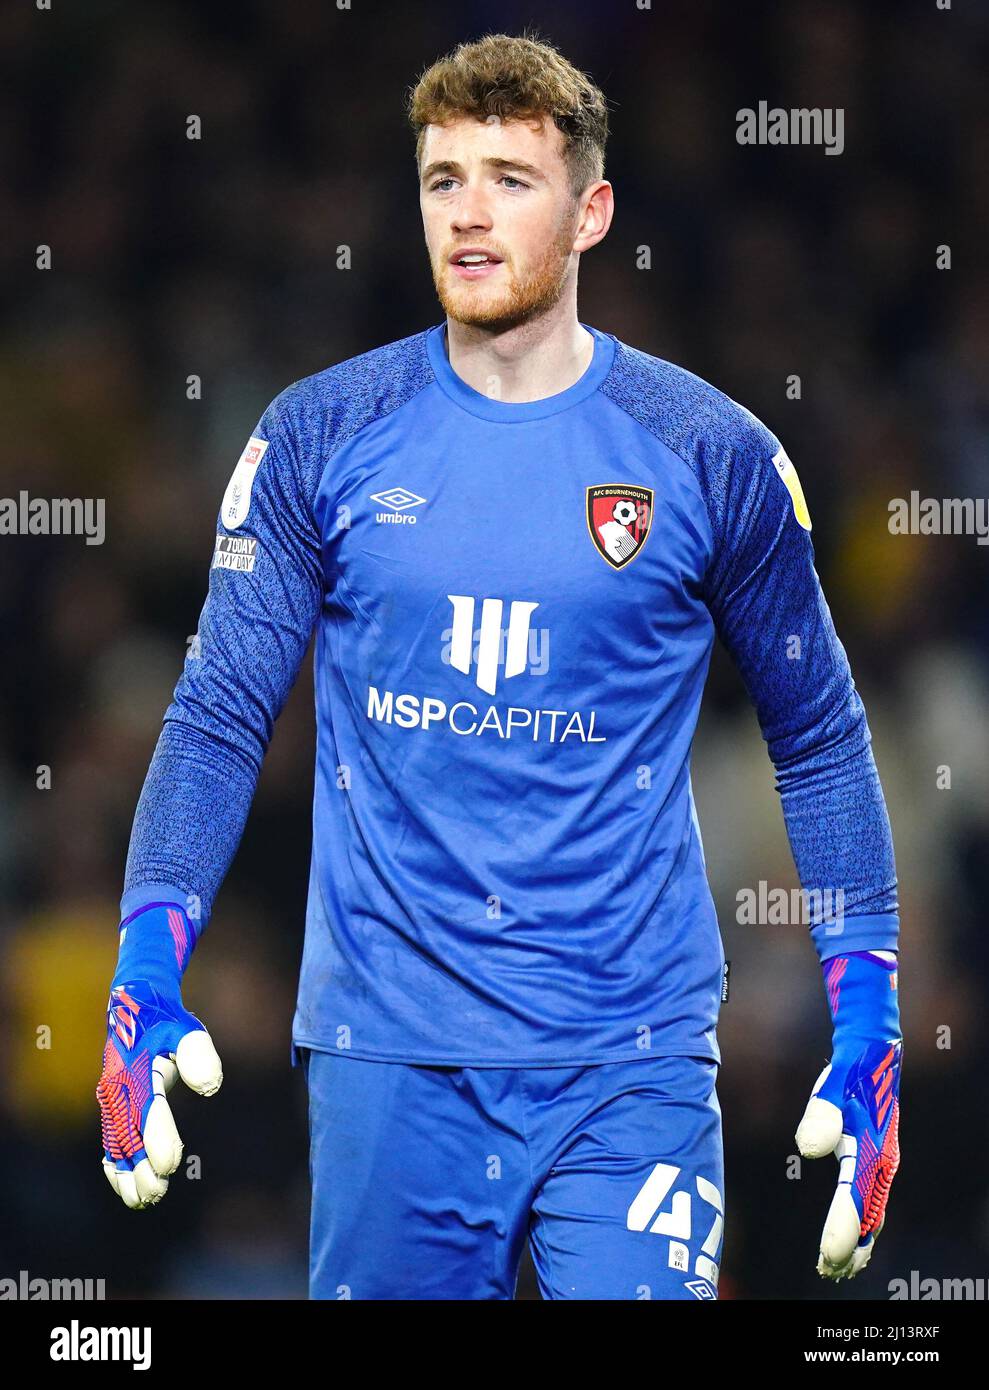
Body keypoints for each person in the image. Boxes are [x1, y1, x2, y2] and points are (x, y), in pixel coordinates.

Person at [97, 32, 902, 1301]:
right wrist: (146, 961)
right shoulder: (318, 435)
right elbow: (215, 717)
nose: (468, 213)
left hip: (628, 1059)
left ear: (590, 212)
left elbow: (818, 735)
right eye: (441, 178)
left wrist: (867, 1015)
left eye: (508, 179)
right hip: (386, 1057)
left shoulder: (711, 454)